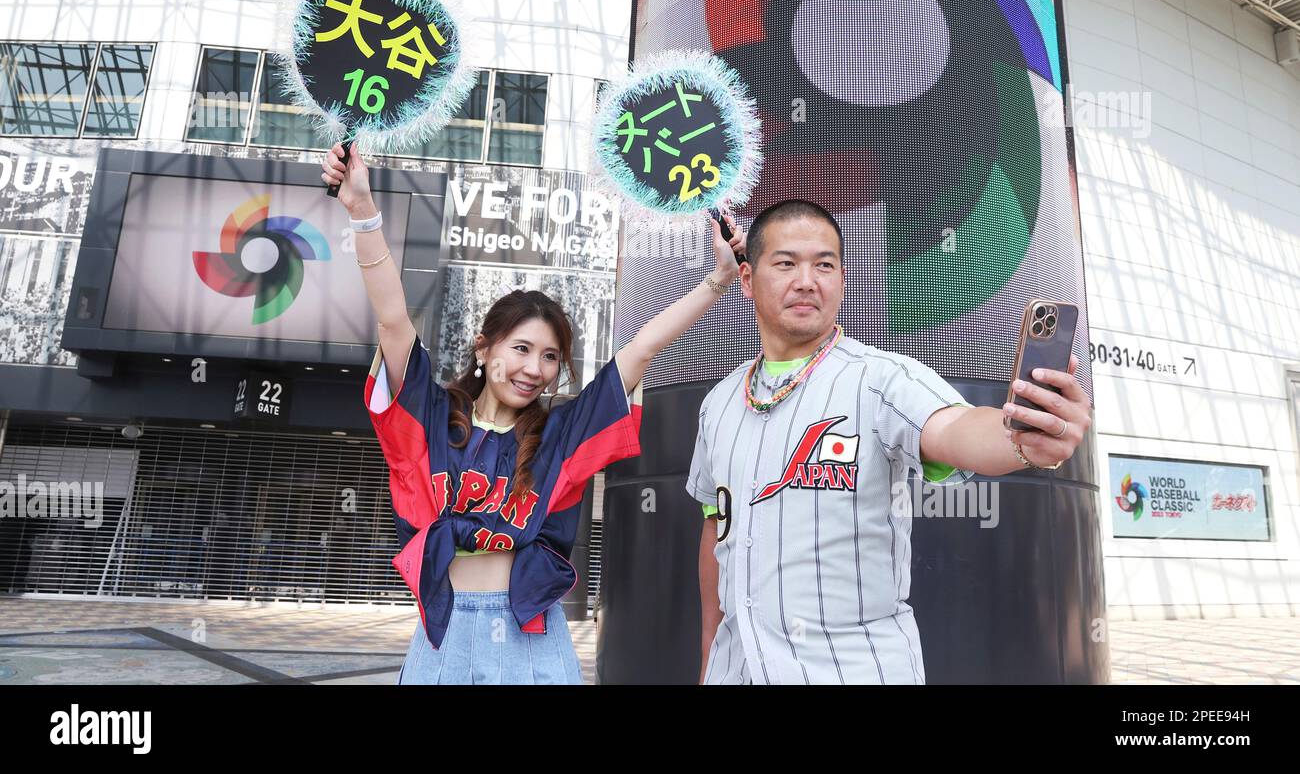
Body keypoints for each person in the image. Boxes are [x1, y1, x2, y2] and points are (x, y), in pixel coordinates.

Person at [321, 143, 746, 684]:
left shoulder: (561, 432)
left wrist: (717, 281)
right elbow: (392, 319)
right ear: (484, 349)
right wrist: (361, 209)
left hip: (529, 630)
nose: (534, 368)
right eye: (520, 349)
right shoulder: (432, 415)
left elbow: (639, 350)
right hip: (444, 631)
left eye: (550, 357)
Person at [688, 198, 1093, 684]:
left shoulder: (881, 379)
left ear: (842, 281)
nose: (806, 280)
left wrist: (1024, 441)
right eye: (786, 263)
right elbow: (717, 528)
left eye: (824, 265)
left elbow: (954, 429)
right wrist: (710, 656)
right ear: (749, 280)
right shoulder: (718, 403)